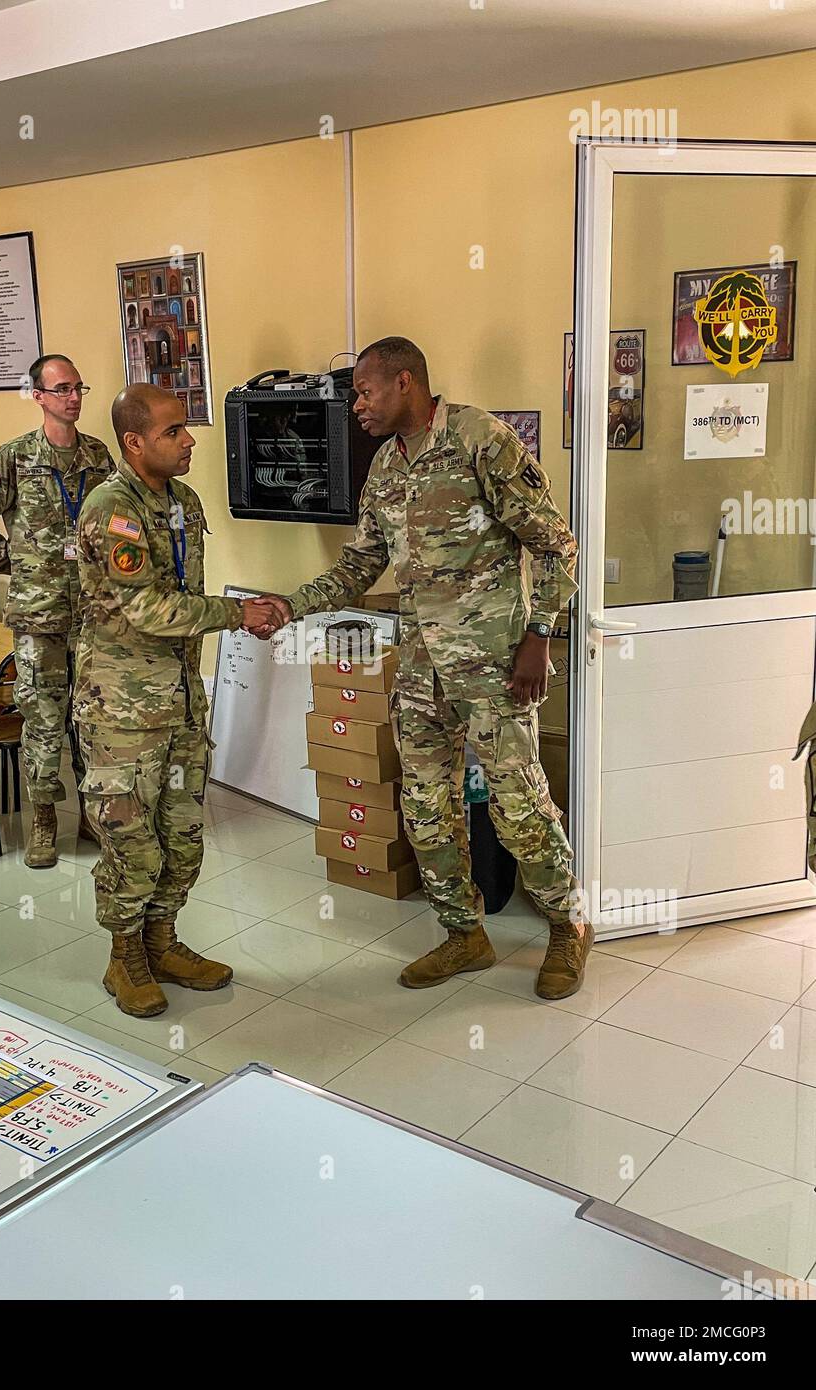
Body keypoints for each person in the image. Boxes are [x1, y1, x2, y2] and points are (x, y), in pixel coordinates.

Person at [258, 337, 593, 1000]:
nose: (355, 404)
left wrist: (538, 638)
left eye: (364, 391)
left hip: (494, 664)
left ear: (404, 382)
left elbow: (556, 545)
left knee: (519, 804)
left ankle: (566, 924)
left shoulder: (480, 440)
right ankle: (463, 934)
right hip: (418, 669)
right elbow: (360, 565)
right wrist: (290, 604)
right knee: (425, 807)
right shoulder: (384, 465)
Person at [74, 384, 281, 1017]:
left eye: (187, 428)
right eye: (173, 432)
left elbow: (181, 600)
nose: (189, 440)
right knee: (131, 842)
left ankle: (162, 943)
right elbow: (148, 609)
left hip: (182, 702)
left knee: (183, 837)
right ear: (134, 442)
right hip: (124, 713)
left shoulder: (184, 502)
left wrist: (228, 618)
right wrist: (238, 613)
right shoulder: (112, 509)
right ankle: (124, 958)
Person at [0, 354, 115, 868]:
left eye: (79, 387)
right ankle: (43, 819)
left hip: (93, 611)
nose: (73, 397)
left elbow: (118, 521)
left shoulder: (98, 455)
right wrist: (19, 566)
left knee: (93, 717)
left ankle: (95, 814)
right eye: (62, 388)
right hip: (38, 615)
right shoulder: (13, 457)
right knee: (44, 718)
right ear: (39, 396)